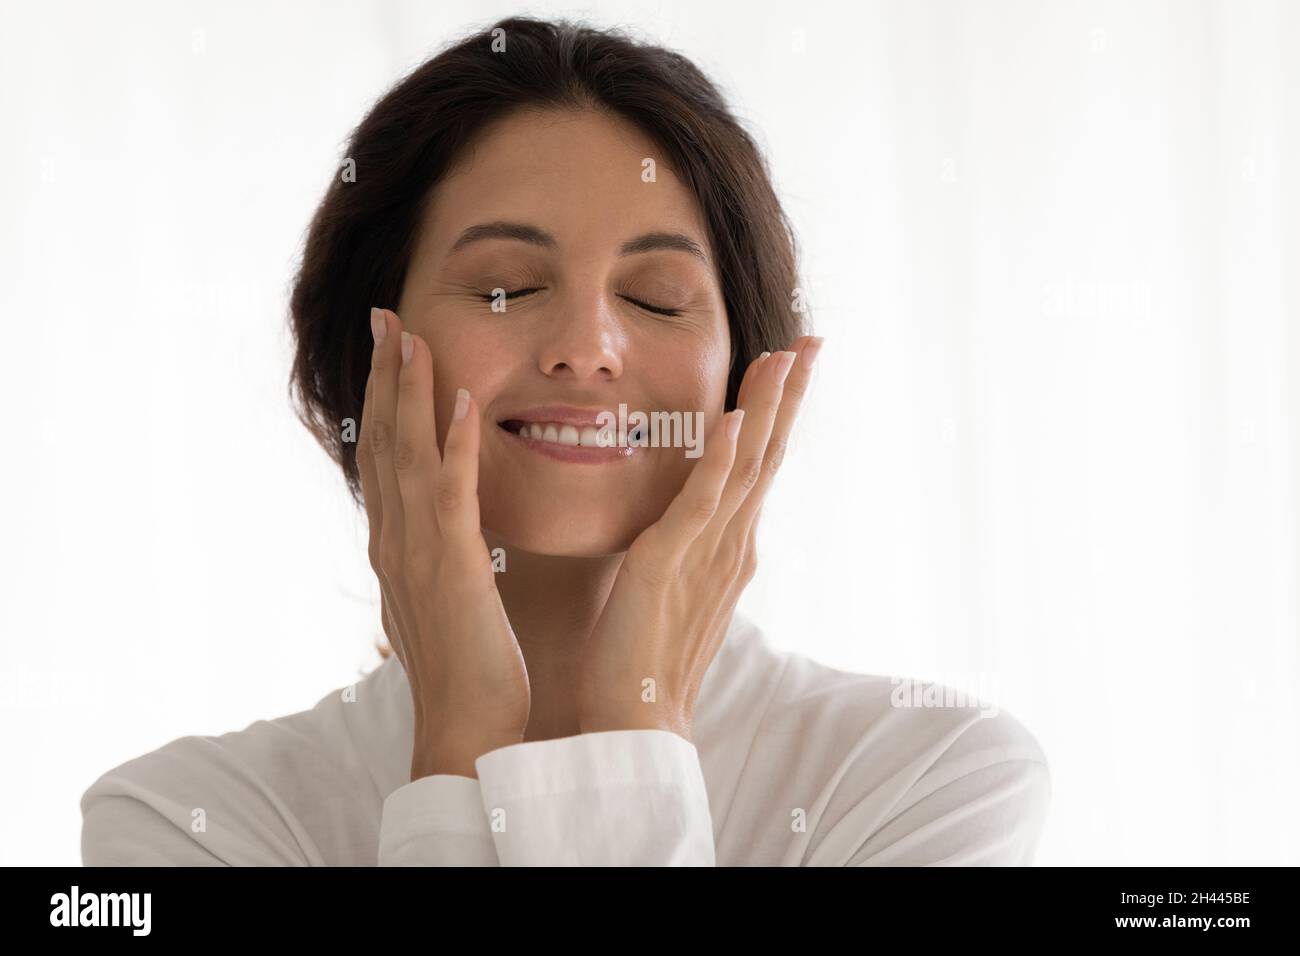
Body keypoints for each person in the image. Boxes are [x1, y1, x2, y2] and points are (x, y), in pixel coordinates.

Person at [80, 15, 1050, 866]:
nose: (587, 348)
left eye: (655, 296)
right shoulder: (185, 823)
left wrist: (636, 722)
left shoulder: (929, 776)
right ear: (365, 346)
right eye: (506, 285)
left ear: (747, 375)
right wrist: (456, 737)